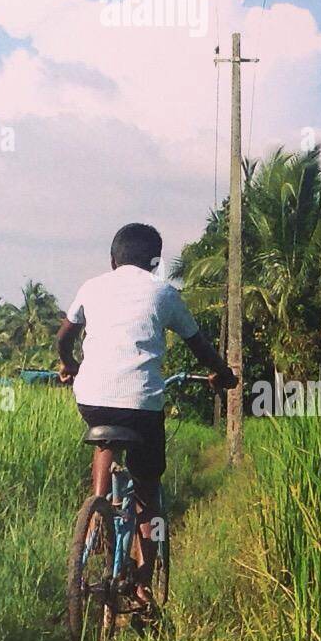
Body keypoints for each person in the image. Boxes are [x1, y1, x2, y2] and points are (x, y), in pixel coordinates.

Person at [56, 222, 237, 610]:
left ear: (112, 259)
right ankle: (141, 584)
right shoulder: (164, 293)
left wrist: (70, 365)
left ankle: (99, 507)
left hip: (91, 399)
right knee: (147, 490)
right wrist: (223, 375)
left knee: (104, 434)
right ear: (155, 263)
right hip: (141, 405)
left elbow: (63, 337)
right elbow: (199, 345)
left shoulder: (91, 287)